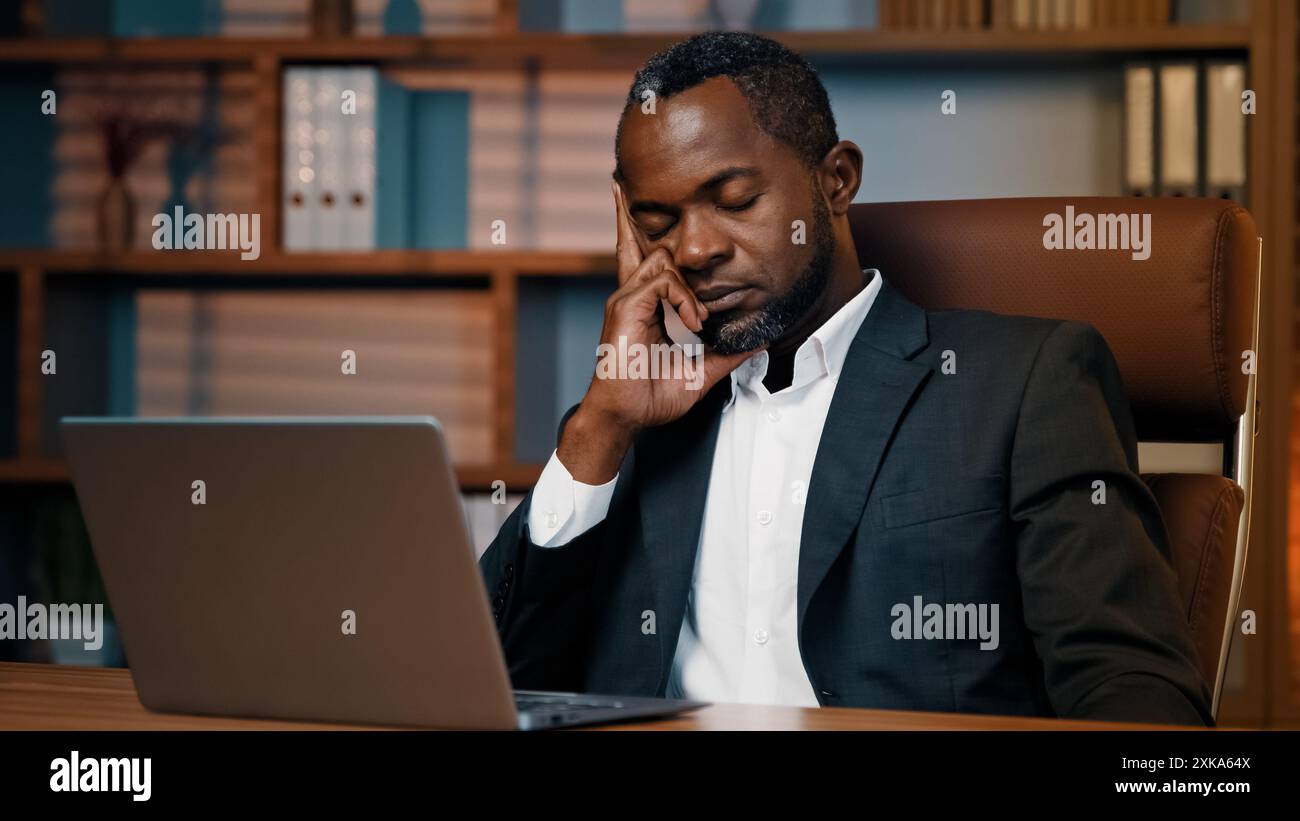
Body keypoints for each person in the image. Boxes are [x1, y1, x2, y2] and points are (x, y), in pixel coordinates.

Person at [479, 31, 1211, 725]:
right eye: (657, 221)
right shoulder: (624, 426)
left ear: (837, 180)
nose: (696, 248)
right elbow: (489, 689)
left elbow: (1135, 697)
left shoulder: (1020, 386)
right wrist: (599, 428)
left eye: (734, 201)